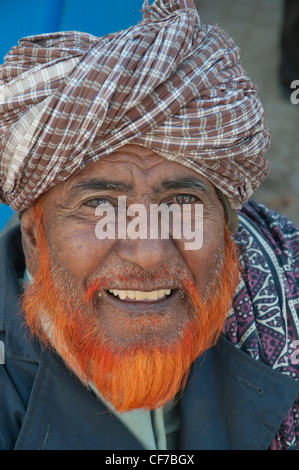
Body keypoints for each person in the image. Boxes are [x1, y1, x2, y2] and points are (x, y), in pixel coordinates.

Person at [0, 0, 298, 451]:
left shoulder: (283, 285)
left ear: (227, 226)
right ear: (33, 237)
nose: (148, 251)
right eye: (100, 204)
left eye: (182, 200)